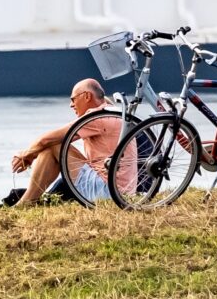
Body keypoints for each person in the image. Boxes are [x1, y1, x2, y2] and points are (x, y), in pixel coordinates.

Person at [9, 77, 135, 206]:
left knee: (55, 145)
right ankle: (30, 199)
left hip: (107, 191)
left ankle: (26, 202)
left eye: (73, 99)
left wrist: (26, 155)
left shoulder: (97, 117)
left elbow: (46, 140)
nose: (71, 105)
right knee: (51, 150)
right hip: (122, 191)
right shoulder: (112, 111)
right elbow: (101, 99)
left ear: (87, 96)